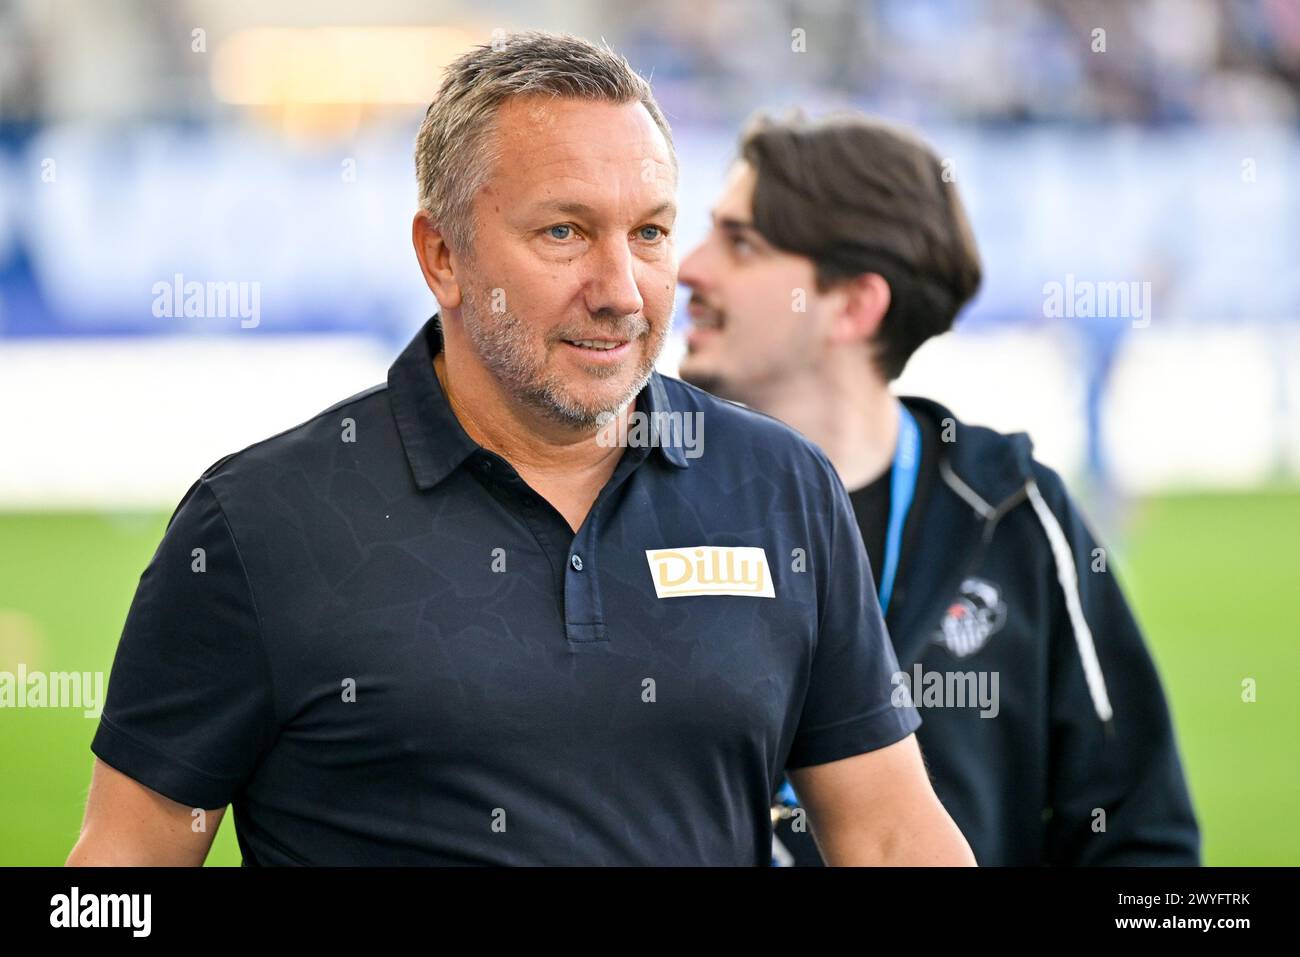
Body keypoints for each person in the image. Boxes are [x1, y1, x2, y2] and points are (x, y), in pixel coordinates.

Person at [66, 34, 973, 866]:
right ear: (442, 256)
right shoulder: (259, 522)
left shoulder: (780, 486)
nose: (621, 290)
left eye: (650, 232)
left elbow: (891, 834)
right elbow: (124, 868)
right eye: (564, 232)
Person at [677, 111, 1200, 865]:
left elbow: (1142, 838)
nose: (690, 267)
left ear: (854, 305)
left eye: (742, 244)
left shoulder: (1013, 511)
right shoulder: (636, 498)